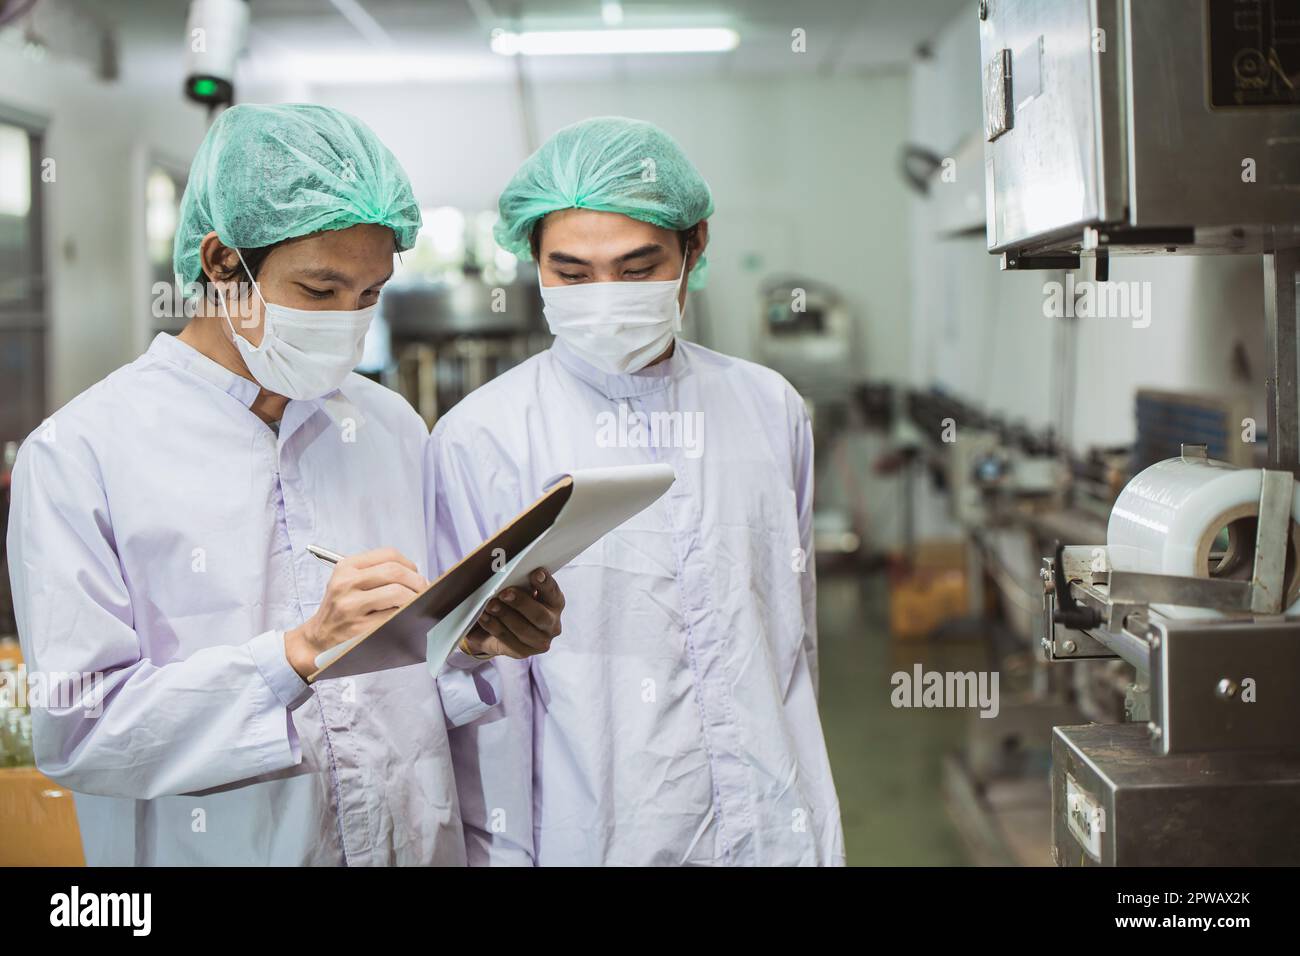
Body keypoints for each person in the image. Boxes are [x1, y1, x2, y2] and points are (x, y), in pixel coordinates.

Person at [5, 104, 563, 866]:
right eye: (320, 290)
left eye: (369, 295)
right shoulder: (83, 454)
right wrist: (295, 655)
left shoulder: (389, 427)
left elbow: (420, 671)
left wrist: (473, 637)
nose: (347, 320)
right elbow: (80, 734)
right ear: (221, 262)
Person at [430, 116, 844, 865]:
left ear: (696, 247)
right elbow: (467, 683)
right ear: (534, 262)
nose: (606, 296)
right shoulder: (480, 437)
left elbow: (794, 633)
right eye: (573, 274)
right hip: (595, 832)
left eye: (637, 267)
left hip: (774, 821)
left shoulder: (767, 406)